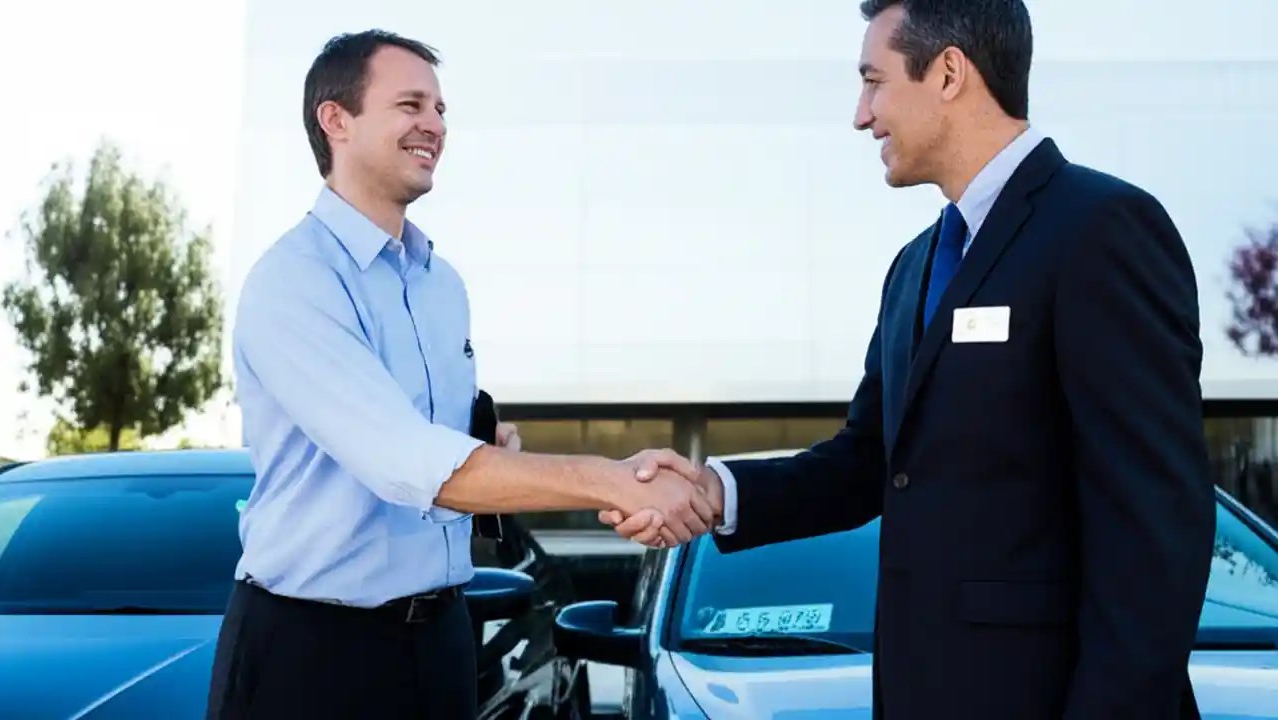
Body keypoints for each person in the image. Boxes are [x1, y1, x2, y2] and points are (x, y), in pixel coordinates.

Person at [602, 1, 1216, 718]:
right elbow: (868, 461)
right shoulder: (913, 267)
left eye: (874, 81)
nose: (862, 115)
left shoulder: (1101, 228)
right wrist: (716, 493)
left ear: (949, 72)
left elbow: (1155, 523)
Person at [206, 30, 711, 720]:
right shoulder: (294, 281)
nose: (435, 126)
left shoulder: (442, 285)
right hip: (313, 650)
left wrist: (492, 453)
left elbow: (435, 448)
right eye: (411, 104)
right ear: (337, 120)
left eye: (442, 110)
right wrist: (610, 478)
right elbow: (405, 461)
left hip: (441, 638)